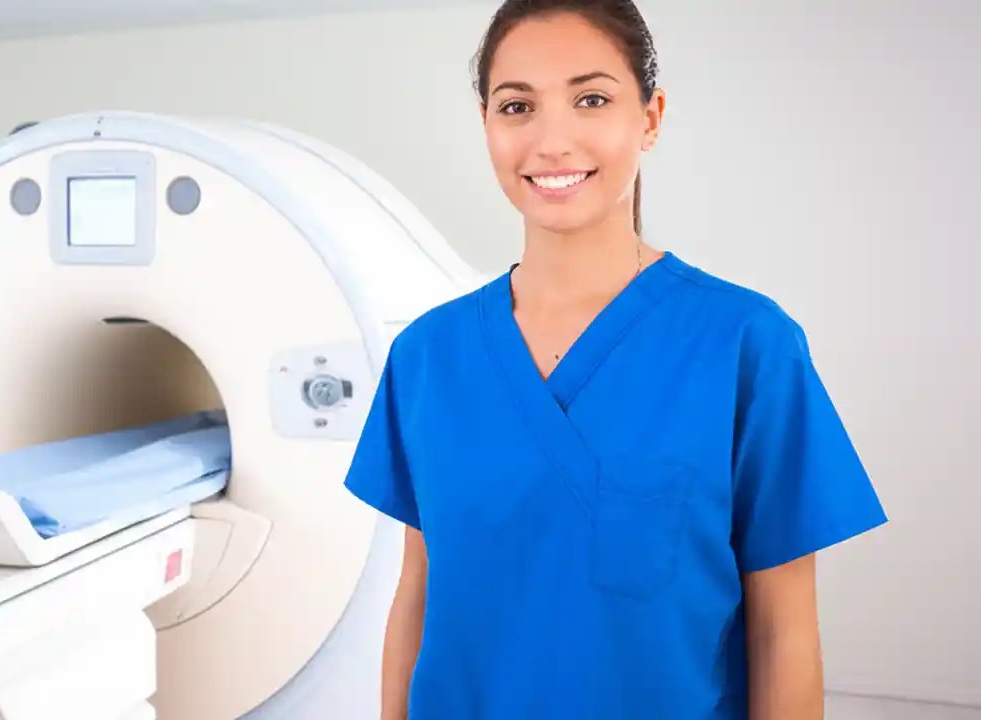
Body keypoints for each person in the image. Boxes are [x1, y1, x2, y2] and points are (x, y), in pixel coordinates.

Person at [342, 1, 889, 718]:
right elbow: (416, 594)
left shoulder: (746, 344)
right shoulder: (427, 356)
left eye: (591, 99)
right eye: (517, 107)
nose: (551, 140)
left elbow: (780, 627)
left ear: (650, 119)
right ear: (487, 127)